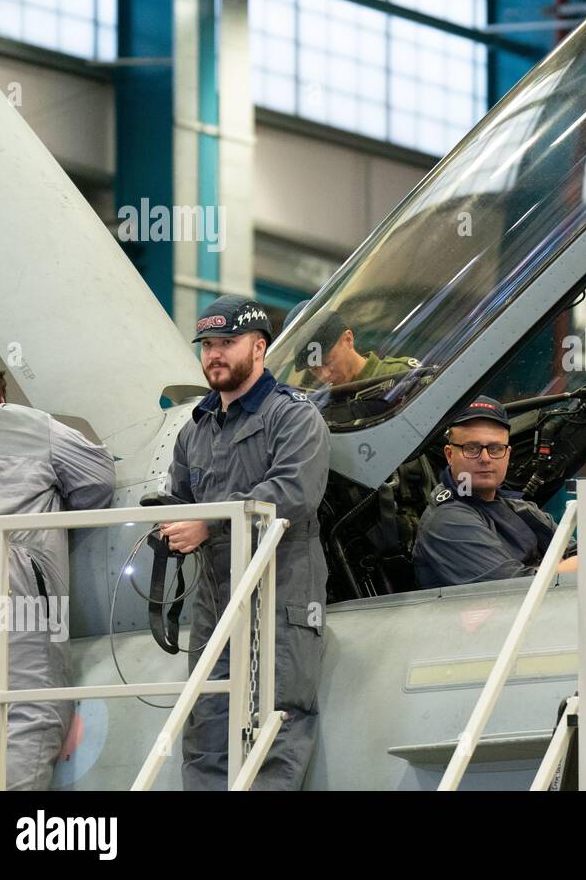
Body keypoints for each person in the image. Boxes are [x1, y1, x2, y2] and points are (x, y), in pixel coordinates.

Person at [164, 296, 331, 790]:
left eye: (227, 343)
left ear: (259, 348)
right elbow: (180, 498)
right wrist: (170, 526)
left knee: (273, 730)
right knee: (205, 731)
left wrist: (209, 525)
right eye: (208, 345)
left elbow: (293, 493)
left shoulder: (293, 416)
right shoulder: (194, 430)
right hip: (216, 604)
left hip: (280, 600)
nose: (215, 354)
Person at [0, 342, 114, 790]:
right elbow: (97, 482)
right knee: (26, 716)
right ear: (0, 388)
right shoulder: (30, 427)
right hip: (6, 584)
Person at [413, 397, 576, 588]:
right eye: (471, 448)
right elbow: (515, 588)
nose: (485, 458)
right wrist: (570, 567)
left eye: (496, 448)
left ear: (507, 454)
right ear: (450, 455)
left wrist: (562, 569)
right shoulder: (448, 519)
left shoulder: (516, 506)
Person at [285, 300, 420, 387]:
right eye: (314, 369)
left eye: (327, 361)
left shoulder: (399, 374)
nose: (324, 375)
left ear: (348, 339)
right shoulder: (319, 402)